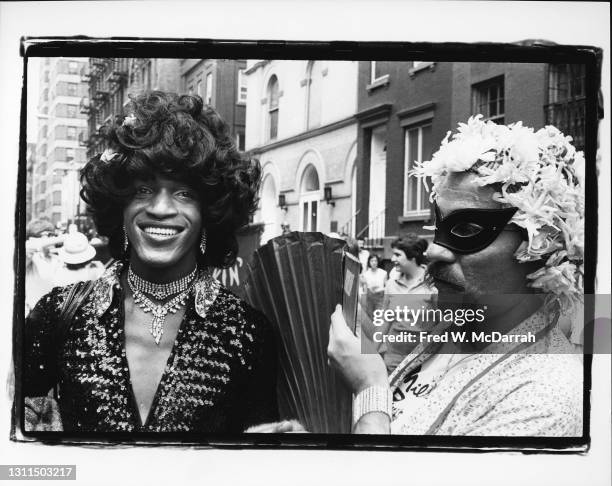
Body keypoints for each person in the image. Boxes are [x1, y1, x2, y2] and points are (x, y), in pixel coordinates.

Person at [24, 92, 279, 433]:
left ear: (209, 213)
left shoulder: (248, 334)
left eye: (184, 193)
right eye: (143, 189)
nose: (161, 208)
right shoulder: (58, 315)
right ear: (120, 208)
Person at [328, 116, 584, 436]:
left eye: (466, 229)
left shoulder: (545, 398)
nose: (434, 252)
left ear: (543, 245)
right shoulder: (458, 330)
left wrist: (370, 388)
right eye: (438, 225)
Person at [377, 235, 437, 372]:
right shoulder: (391, 284)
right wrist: (372, 353)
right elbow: (385, 322)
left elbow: (442, 325)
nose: (392, 259)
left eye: (397, 255)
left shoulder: (432, 284)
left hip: (423, 361)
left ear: (412, 257)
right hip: (393, 359)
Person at [24, 218, 64, 314]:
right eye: (44, 235)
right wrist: (63, 238)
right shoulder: (29, 258)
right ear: (32, 238)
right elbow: (30, 246)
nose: (50, 238)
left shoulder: (58, 259)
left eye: (51, 234)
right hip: (34, 313)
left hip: (56, 313)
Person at [361, 254, 388, 318]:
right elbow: (364, 290)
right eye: (372, 261)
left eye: (375, 261)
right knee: (370, 317)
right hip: (369, 298)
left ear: (378, 262)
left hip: (380, 297)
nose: (374, 262)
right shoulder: (365, 274)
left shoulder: (383, 273)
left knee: (379, 317)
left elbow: (386, 287)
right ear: (369, 262)